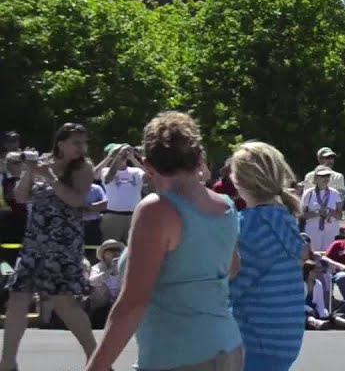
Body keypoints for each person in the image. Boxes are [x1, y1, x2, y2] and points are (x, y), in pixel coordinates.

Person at [85, 111, 243, 371]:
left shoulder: (156, 210)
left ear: (148, 166)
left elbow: (133, 303)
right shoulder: (225, 206)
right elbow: (232, 268)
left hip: (176, 356)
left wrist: (96, 367)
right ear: (199, 159)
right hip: (228, 347)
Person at [2, 123, 98, 371]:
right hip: (35, 241)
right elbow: (22, 197)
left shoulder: (83, 168)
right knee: (18, 296)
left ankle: (97, 359)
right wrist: (29, 172)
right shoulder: (43, 162)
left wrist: (50, 177)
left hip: (64, 243)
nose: (81, 148)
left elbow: (77, 200)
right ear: (61, 143)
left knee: (64, 302)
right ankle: (8, 361)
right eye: (76, 142)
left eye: (83, 143)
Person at [229, 141, 306, 371]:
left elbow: (230, 288)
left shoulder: (250, 226)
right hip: (283, 341)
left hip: (255, 343)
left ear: (238, 180)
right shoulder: (284, 219)